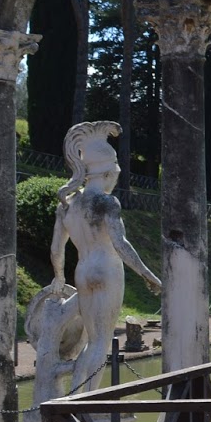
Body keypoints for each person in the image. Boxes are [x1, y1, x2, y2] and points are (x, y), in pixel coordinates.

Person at [45, 121, 161, 391]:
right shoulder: (107, 203)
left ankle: (76, 396)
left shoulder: (68, 204)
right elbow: (121, 245)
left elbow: (55, 250)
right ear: (109, 173)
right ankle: (88, 400)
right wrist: (148, 275)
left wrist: (59, 277)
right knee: (102, 341)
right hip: (107, 268)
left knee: (91, 341)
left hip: (83, 271)